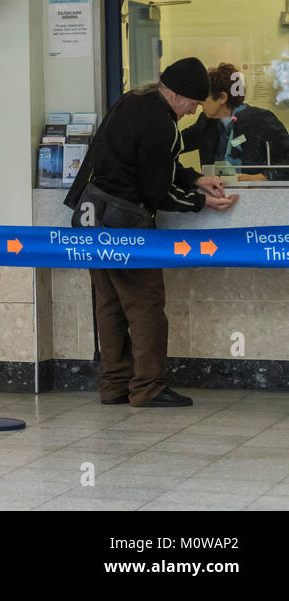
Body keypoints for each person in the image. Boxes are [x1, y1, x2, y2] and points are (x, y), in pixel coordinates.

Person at [65, 57, 238, 408]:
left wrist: (195, 178)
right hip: (125, 224)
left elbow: (152, 162)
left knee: (109, 304)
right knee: (145, 305)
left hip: (90, 218)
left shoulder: (133, 101)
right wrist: (201, 203)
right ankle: (149, 387)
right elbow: (157, 192)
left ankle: (114, 384)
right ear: (175, 94)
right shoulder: (161, 123)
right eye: (192, 103)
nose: (193, 112)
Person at [182, 62, 289, 181]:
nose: (200, 102)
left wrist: (263, 177)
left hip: (255, 194)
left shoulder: (261, 120)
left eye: (204, 97)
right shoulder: (206, 121)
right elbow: (178, 143)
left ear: (223, 98)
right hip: (219, 193)